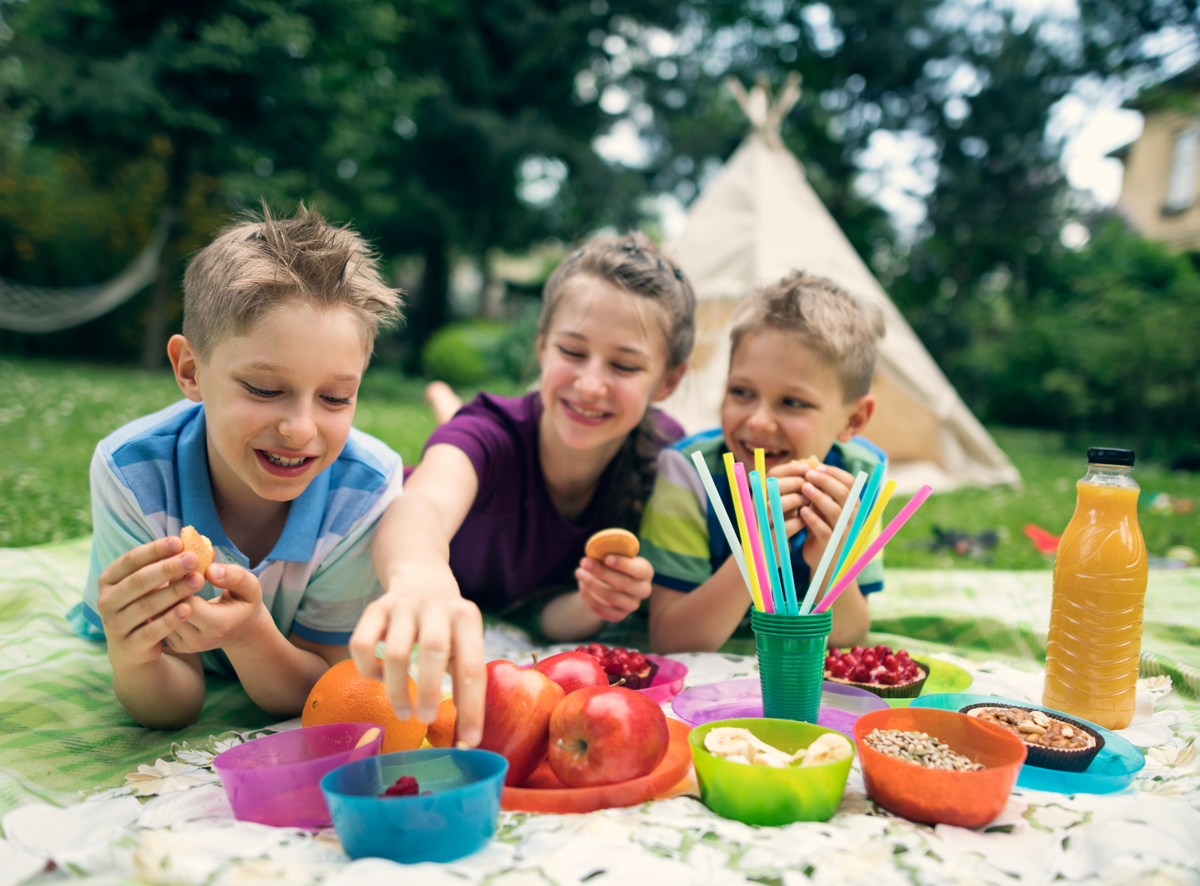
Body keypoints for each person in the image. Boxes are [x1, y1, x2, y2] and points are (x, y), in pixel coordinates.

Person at [69, 204, 405, 729]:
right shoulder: (132, 473)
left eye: (336, 398)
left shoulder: (364, 490)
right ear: (190, 370)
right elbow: (172, 705)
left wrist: (249, 634)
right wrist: (132, 655)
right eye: (265, 389)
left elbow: (322, 690)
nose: (300, 428)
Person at [350, 234, 695, 713]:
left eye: (624, 365)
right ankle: (443, 400)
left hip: (515, 603)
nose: (591, 384)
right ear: (541, 347)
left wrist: (597, 601)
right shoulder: (489, 432)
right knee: (452, 423)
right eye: (572, 353)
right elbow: (420, 503)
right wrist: (419, 574)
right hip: (414, 537)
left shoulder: (666, 460)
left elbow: (544, 615)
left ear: (668, 380)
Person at [641, 271, 886, 654]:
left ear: (852, 419)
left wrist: (831, 557)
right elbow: (669, 640)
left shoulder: (860, 479)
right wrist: (753, 551)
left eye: (793, 402)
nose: (757, 421)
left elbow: (848, 638)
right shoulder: (689, 475)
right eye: (741, 392)